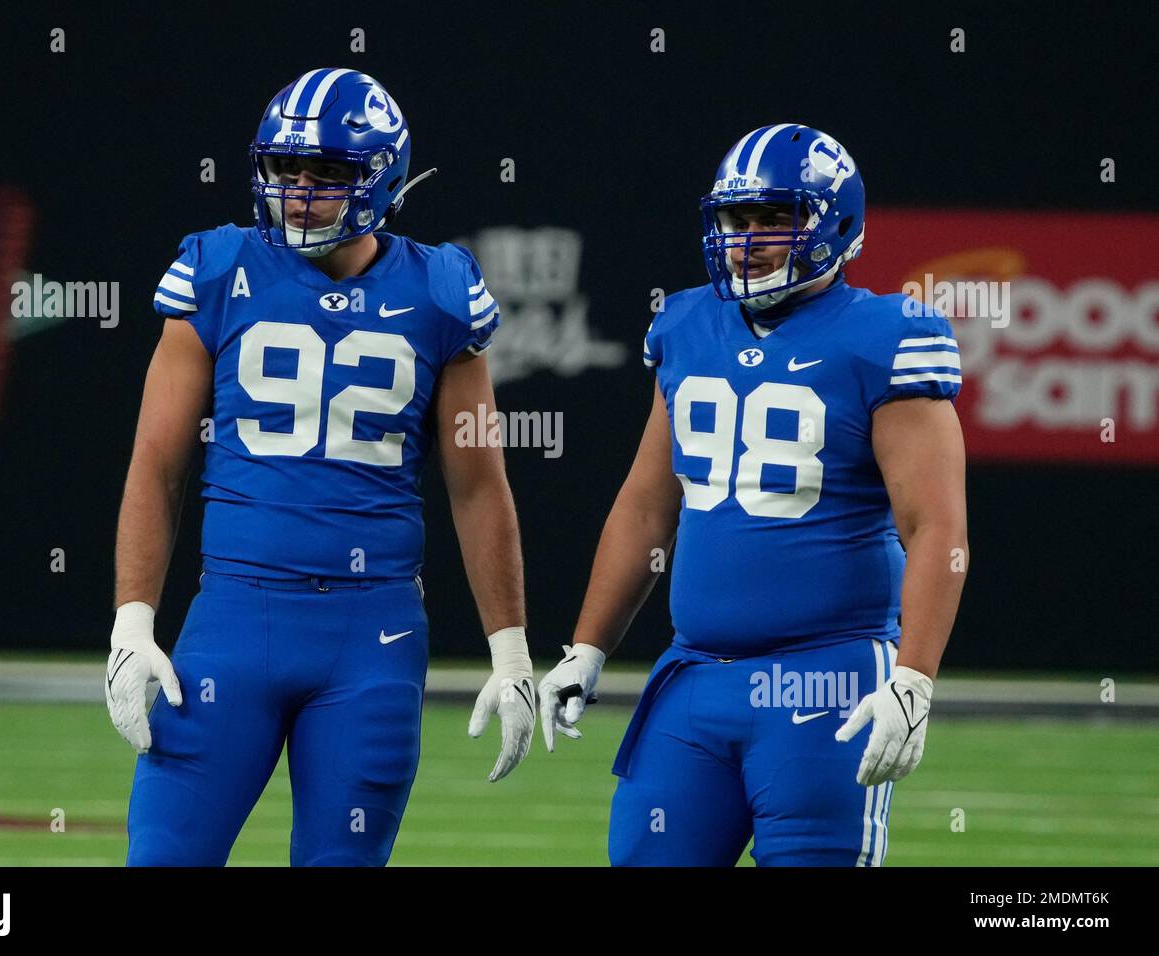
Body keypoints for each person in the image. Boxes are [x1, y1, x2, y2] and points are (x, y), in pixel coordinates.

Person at [104, 68, 534, 866]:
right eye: (285, 170)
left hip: (372, 635)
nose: (300, 192)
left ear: (382, 177)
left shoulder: (440, 291)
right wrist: (134, 620)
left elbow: (478, 486)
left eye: (328, 173)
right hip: (234, 613)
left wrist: (509, 649)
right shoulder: (217, 270)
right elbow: (156, 464)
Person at [538, 124, 968, 866]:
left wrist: (913, 680)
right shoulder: (685, 324)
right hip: (696, 673)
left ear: (836, 223)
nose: (752, 239)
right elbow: (649, 504)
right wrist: (587, 648)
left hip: (824, 678)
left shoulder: (886, 336)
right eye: (739, 220)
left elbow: (936, 528)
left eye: (777, 218)